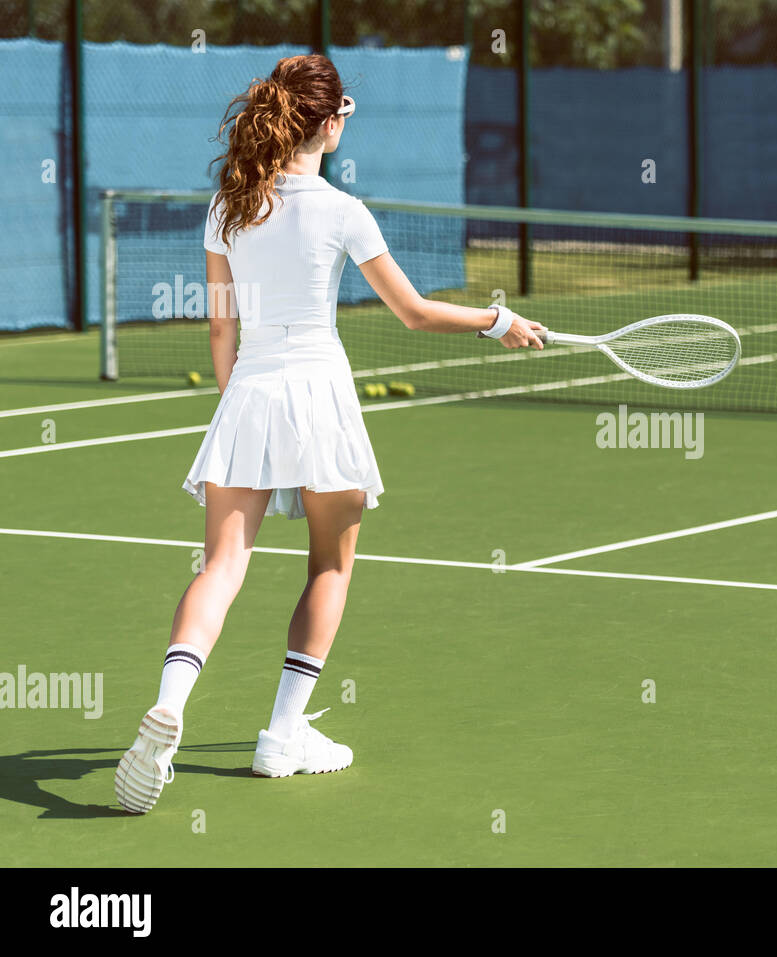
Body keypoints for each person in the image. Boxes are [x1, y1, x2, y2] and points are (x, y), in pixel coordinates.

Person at [113, 53, 544, 814]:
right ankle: (281, 735)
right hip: (321, 397)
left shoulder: (228, 206)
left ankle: (171, 703)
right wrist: (498, 319)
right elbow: (411, 311)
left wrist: (238, 405)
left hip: (249, 389)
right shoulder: (345, 211)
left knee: (221, 566)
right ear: (331, 121)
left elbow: (221, 325)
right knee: (330, 567)